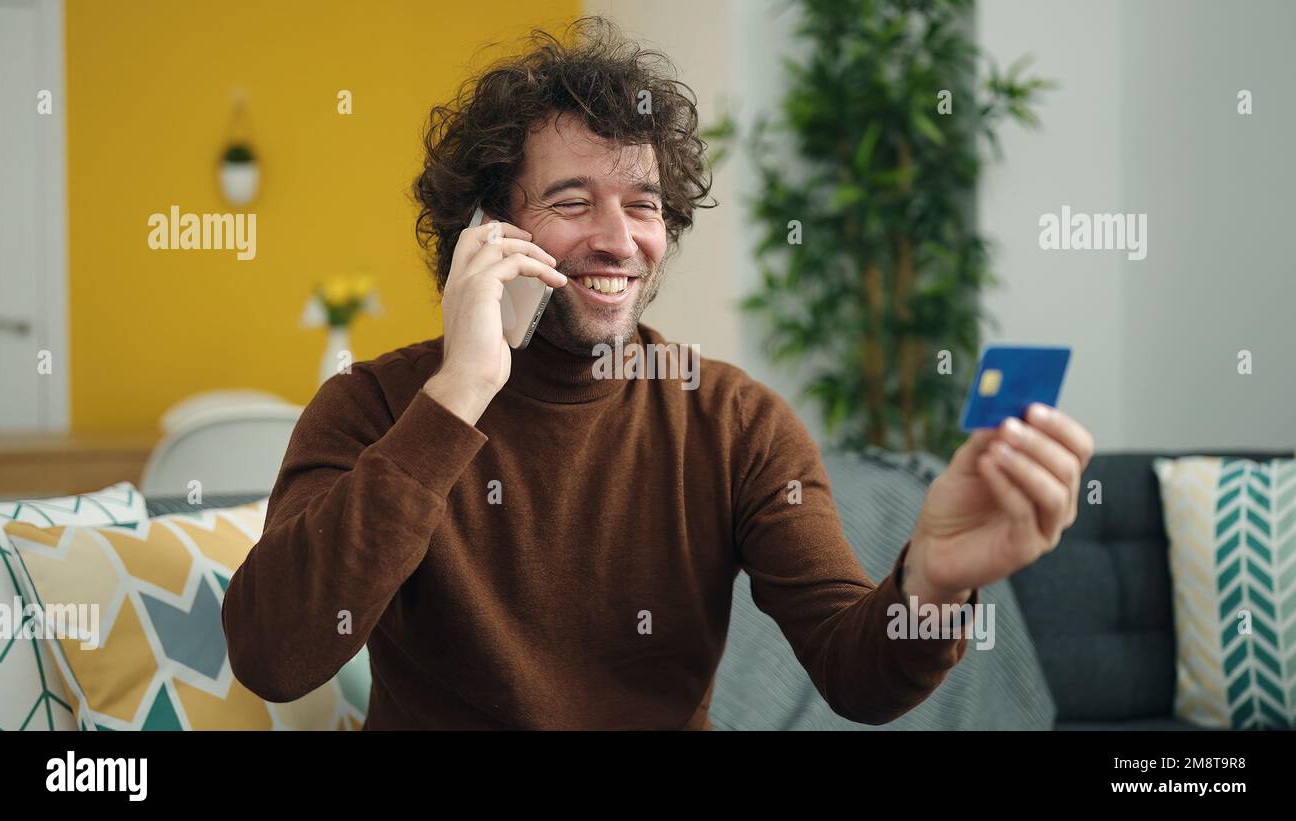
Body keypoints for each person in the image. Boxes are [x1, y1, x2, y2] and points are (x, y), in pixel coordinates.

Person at [221, 16, 1095, 730]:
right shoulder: (374, 406)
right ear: (485, 231)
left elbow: (852, 674)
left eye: (643, 205)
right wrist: (460, 392)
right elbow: (273, 654)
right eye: (572, 200)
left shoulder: (736, 422)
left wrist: (933, 582)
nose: (619, 239)